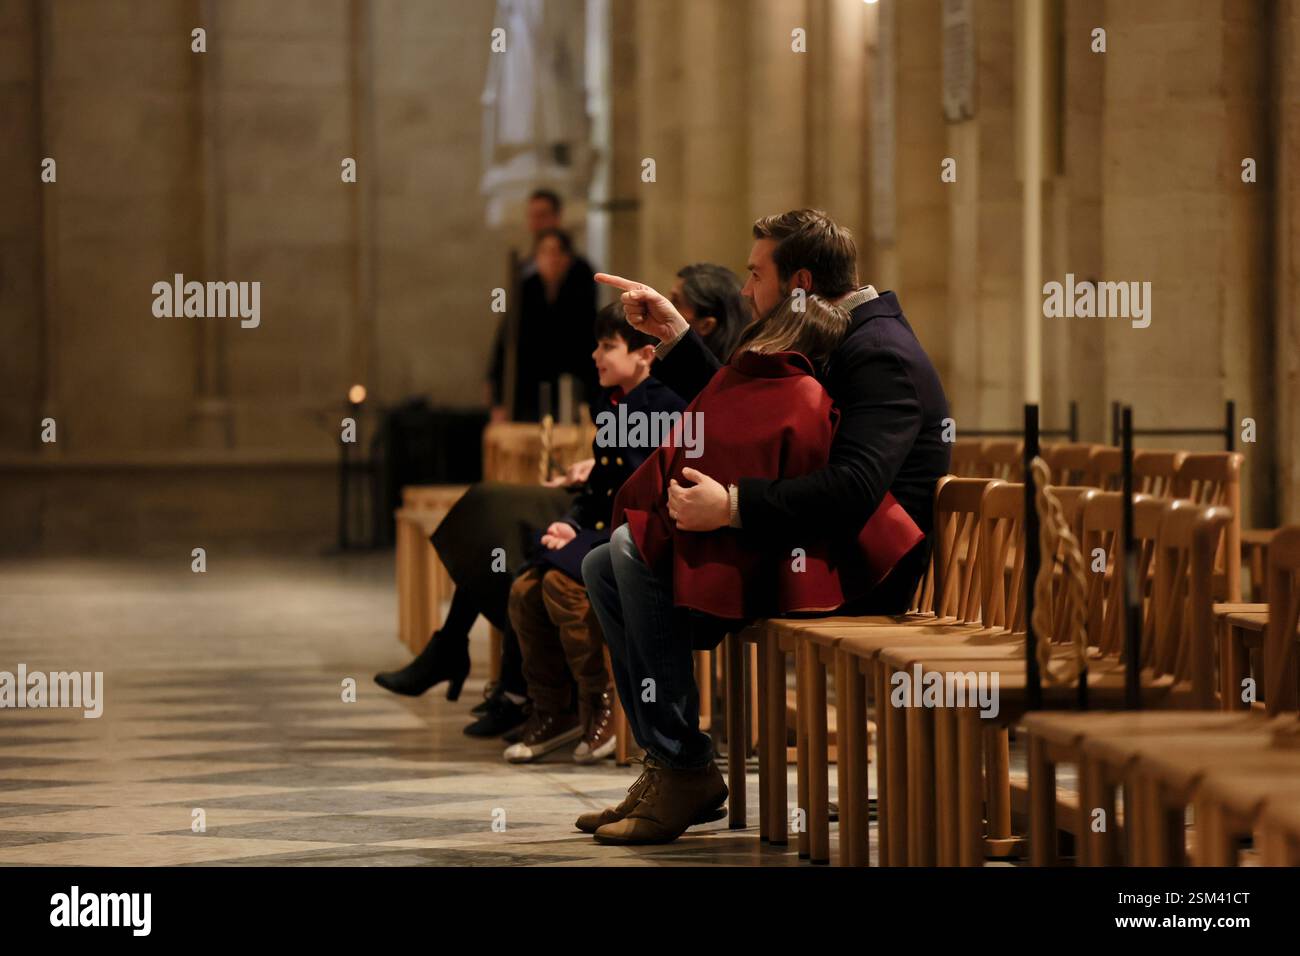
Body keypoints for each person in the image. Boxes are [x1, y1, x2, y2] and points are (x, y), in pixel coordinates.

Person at [577, 209, 951, 844]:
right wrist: (673, 338)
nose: (746, 289)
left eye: (756, 273)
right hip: (807, 546)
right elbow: (753, 409)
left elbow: (855, 487)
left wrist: (733, 508)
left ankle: (680, 764)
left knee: (630, 552)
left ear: (800, 280)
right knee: (603, 563)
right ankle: (676, 761)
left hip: (858, 568)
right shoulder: (837, 328)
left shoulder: (877, 350)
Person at [374, 263, 750, 736]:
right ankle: (516, 683)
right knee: (508, 534)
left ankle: (525, 686)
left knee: (514, 533)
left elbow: (682, 452)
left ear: (707, 324)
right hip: (604, 502)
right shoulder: (638, 389)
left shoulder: (695, 378)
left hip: (643, 511)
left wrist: (599, 483)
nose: (661, 304)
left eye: (677, 300)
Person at [504, 305, 685, 764]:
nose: (596, 355)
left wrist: (588, 534)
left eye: (608, 346)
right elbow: (602, 485)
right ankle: (553, 709)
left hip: (641, 535)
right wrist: (572, 522)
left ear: (645, 354)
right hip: (602, 527)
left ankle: (600, 704)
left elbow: (649, 492)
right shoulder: (615, 403)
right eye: (598, 345)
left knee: (563, 586)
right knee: (525, 589)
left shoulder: (666, 405)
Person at [489, 227, 598, 423]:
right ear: (536, 257)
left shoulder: (581, 290)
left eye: (557, 252)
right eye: (545, 252)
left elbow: (587, 344)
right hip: (527, 390)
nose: (551, 259)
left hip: (569, 388)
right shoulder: (525, 289)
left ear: (567, 259)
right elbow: (506, 342)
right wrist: (498, 398)